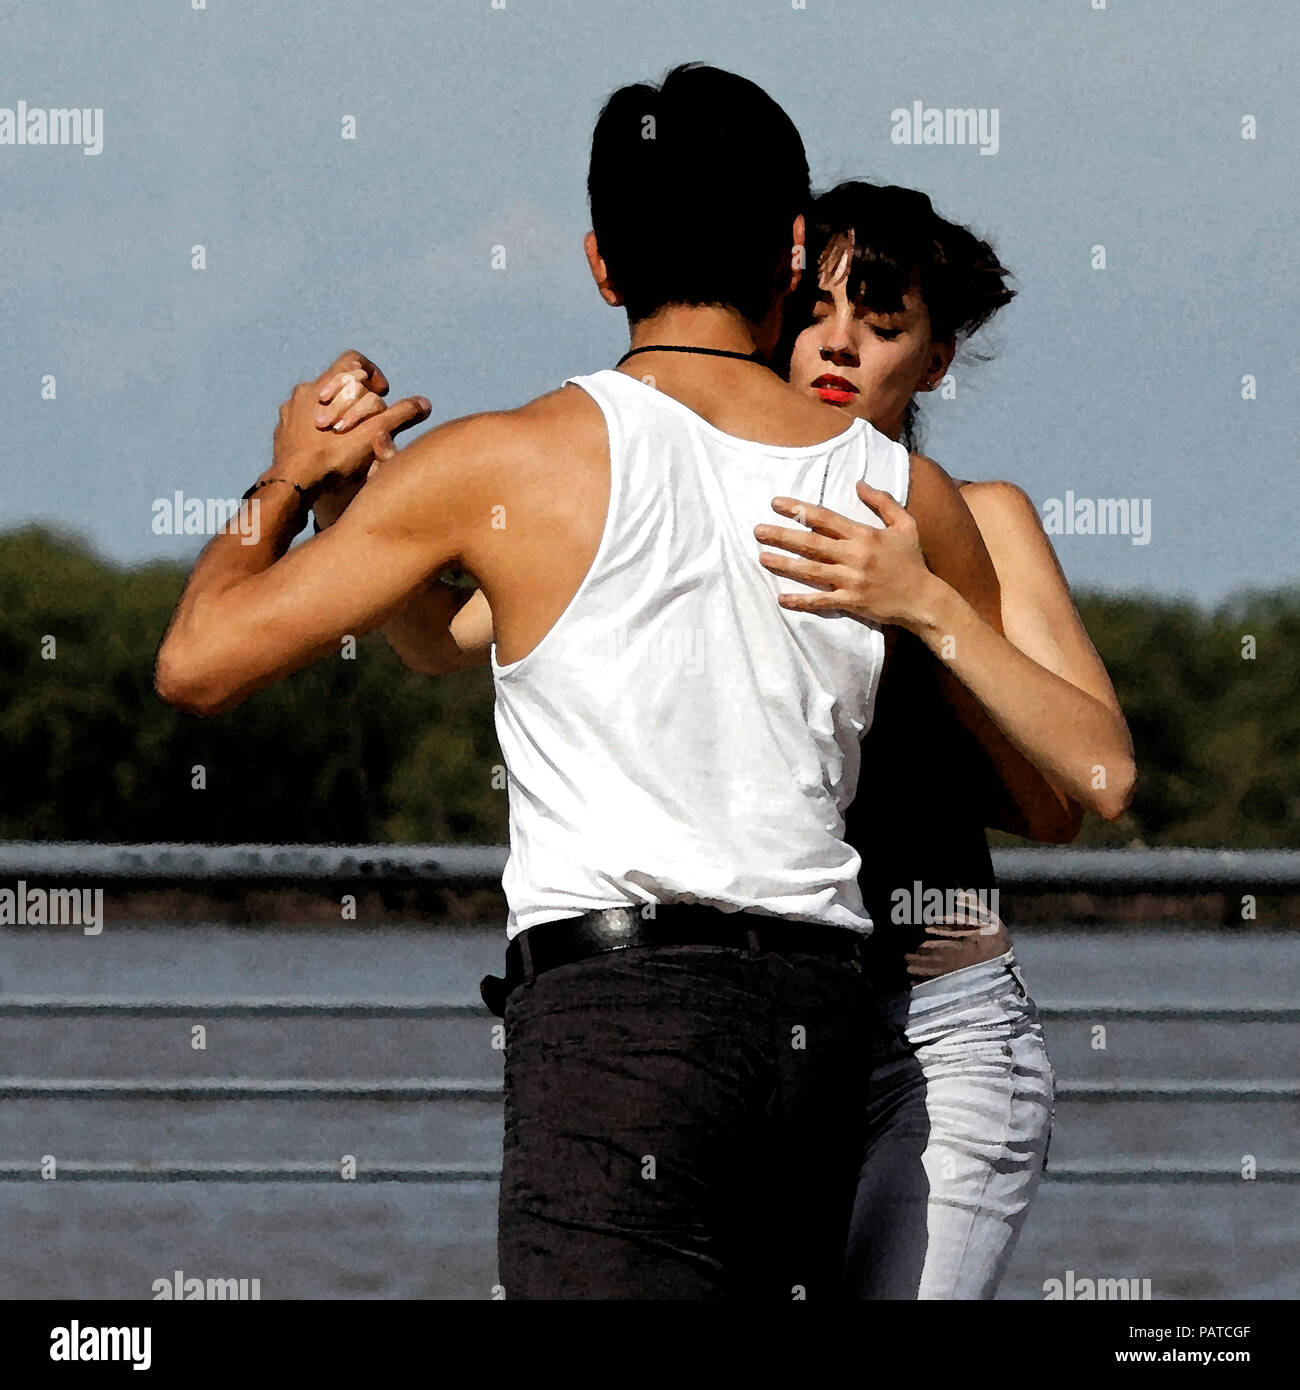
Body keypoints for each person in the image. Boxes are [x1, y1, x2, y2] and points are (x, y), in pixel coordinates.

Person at [154, 65, 1008, 1300]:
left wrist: (290, 480)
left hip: (621, 1024)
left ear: (602, 265)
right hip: (820, 1025)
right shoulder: (899, 487)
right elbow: (1041, 770)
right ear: (792, 250)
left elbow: (198, 659)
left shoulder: (506, 461)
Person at [766, 181, 1136, 1298]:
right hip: (758, 1036)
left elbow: (1093, 783)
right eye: (815, 312)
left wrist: (927, 604)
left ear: (934, 363)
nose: (839, 345)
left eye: (881, 325)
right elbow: (463, 629)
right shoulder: (712, 504)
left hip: (943, 1032)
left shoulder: (987, 518)